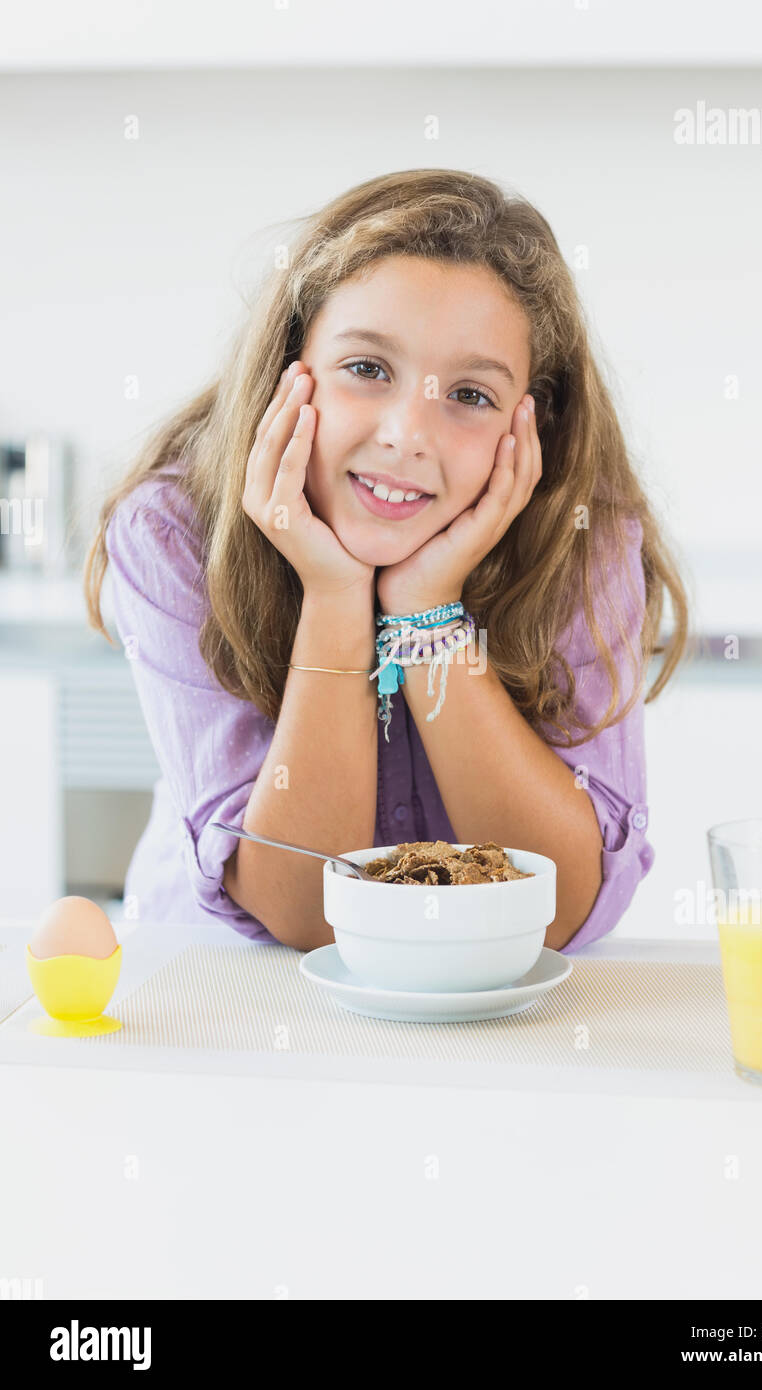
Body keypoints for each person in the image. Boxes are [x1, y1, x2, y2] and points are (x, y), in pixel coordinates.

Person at [84, 168, 689, 953]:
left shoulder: (581, 536)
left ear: (528, 426)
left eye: (470, 395)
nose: (407, 434)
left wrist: (425, 610)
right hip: (223, 989)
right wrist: (335, 598)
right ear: (286, 372)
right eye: (367, 369)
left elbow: (561, 907)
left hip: (490, 1006)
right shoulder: (171, 533)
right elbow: (307, 914)